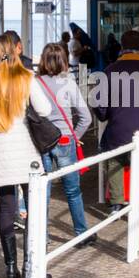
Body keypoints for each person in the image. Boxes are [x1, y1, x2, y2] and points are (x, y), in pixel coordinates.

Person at [0, 34, 51, 278]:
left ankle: (10, 268)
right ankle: (31, 265)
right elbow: (45, 110)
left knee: (6, 209)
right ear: (15, 52)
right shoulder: (26, 78)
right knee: (35, 210)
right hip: (27, 155)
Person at [91, 29, 139, 211]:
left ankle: (116, 205)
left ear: (122, 47)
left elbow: (99, 103)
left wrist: (105, 116)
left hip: (117, 130)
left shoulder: (110, 70)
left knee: (115, 163)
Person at [35, 43, 94, 246]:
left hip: (42, 142)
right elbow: (86, 117)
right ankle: (80, 233)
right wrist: (75, 136)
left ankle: (42, 238)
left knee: (43, 192)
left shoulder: (36, 83)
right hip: (65, 140)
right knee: (73, 191)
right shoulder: (68, 82)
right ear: (64, 60)